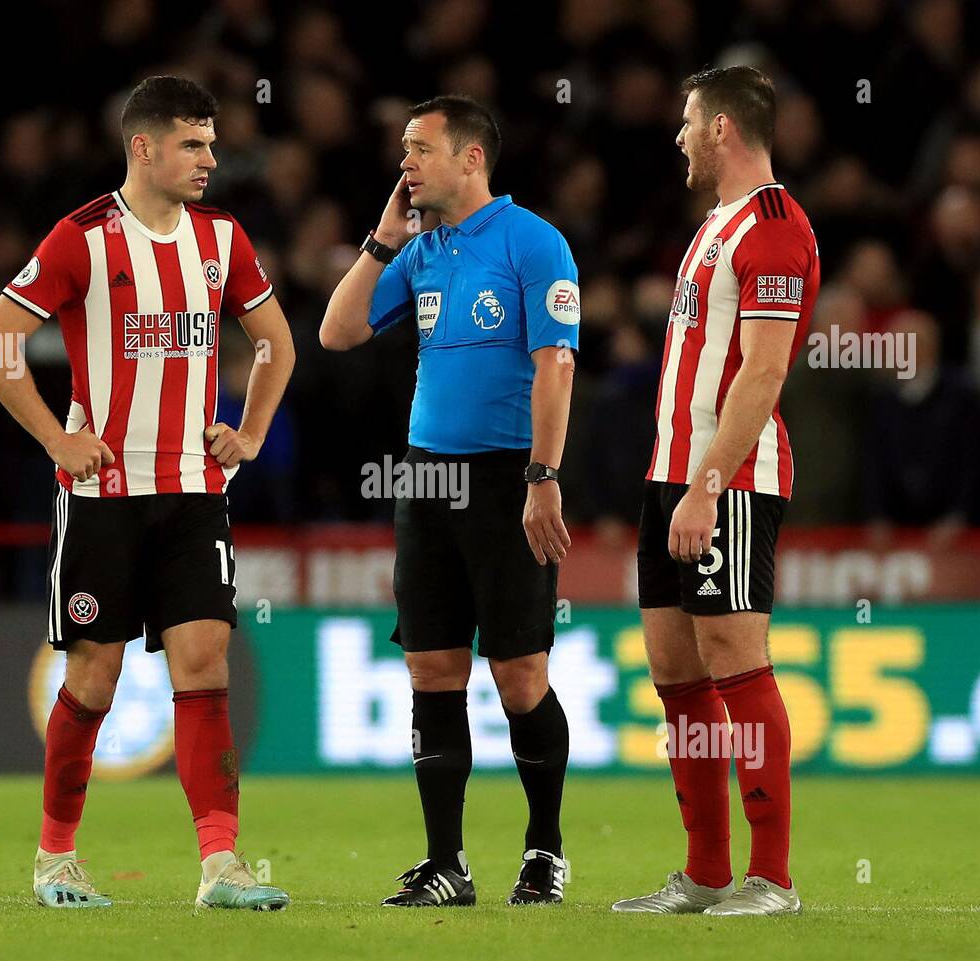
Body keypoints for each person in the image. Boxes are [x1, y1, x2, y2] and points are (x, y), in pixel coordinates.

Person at [0, 76, 295, 911]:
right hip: (104, 496)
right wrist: (56, 438)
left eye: (212, 144)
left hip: (194, 491)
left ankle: (222, 864)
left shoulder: (223, 238)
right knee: (95, 677)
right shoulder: (83, 238)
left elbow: (276, 343)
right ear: (143, 146)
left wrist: (248, 433)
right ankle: (55, 859)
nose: (211, 160)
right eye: (194, 143)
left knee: (204, 661)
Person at [320, 96, 580, 907]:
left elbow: (557, 365)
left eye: (420, 149)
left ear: (471, 157)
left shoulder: (534, 242)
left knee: (519, 674)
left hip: (509, 478)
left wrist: (543, 476)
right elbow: (339, 331)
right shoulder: (422, 249)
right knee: (432, 666)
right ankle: (446, 865)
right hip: (428, 479)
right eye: (404, 149)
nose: (406, 163)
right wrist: (380, 241)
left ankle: (544, 851)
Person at [613, 66, 820, 917]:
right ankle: (704, 874)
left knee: (736, 656)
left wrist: (706, 485)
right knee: (674, 669)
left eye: (689, 121)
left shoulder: (772, 227)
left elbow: (764, 369)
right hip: (673, 480)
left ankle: (770, 879)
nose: (679, 136)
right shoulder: (712, 229)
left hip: (726, 481)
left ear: (725, 130)